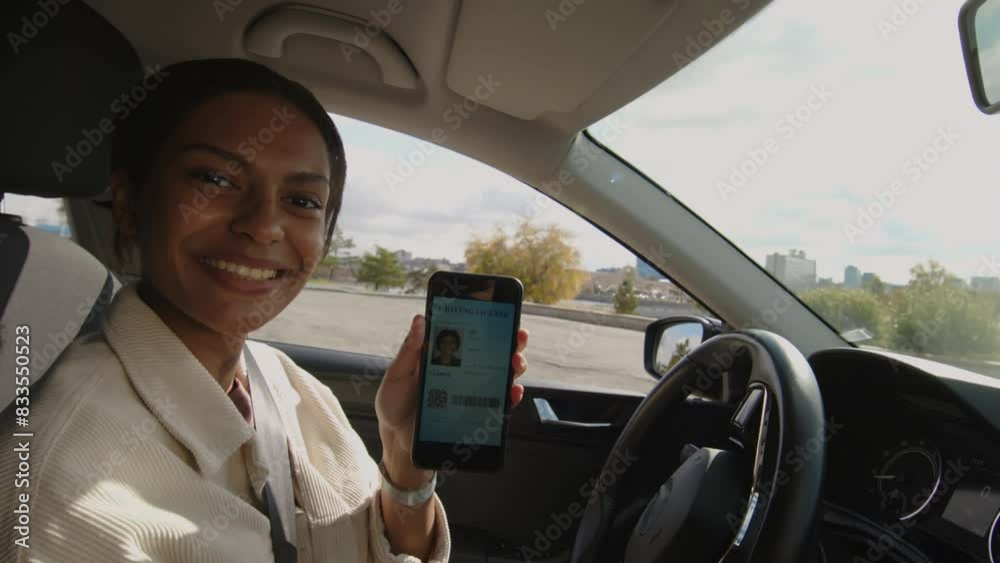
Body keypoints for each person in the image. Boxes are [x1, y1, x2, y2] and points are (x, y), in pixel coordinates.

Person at [0, 59, 529, 563]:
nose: (263, 225)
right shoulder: (61, 495)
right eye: (215, 179)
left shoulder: (286, 383)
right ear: (129, 203)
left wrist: (405, 466)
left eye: (302, 201)